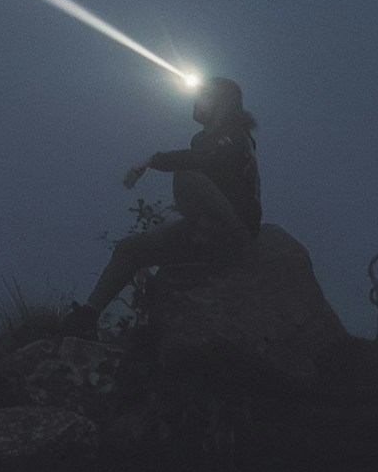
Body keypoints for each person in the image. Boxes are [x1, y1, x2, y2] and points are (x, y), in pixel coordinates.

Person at [78, 73, 261, 333]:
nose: (196, 101)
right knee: (131, 248)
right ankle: (87, 316)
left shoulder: (237, 138)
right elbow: (200, 157)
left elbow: (204, 160)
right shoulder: (202, 140)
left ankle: (222, 248)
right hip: (203, 229)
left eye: (204, 96)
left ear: (221, 103)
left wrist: (153, 160)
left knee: (186, 175)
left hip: (234, 231)